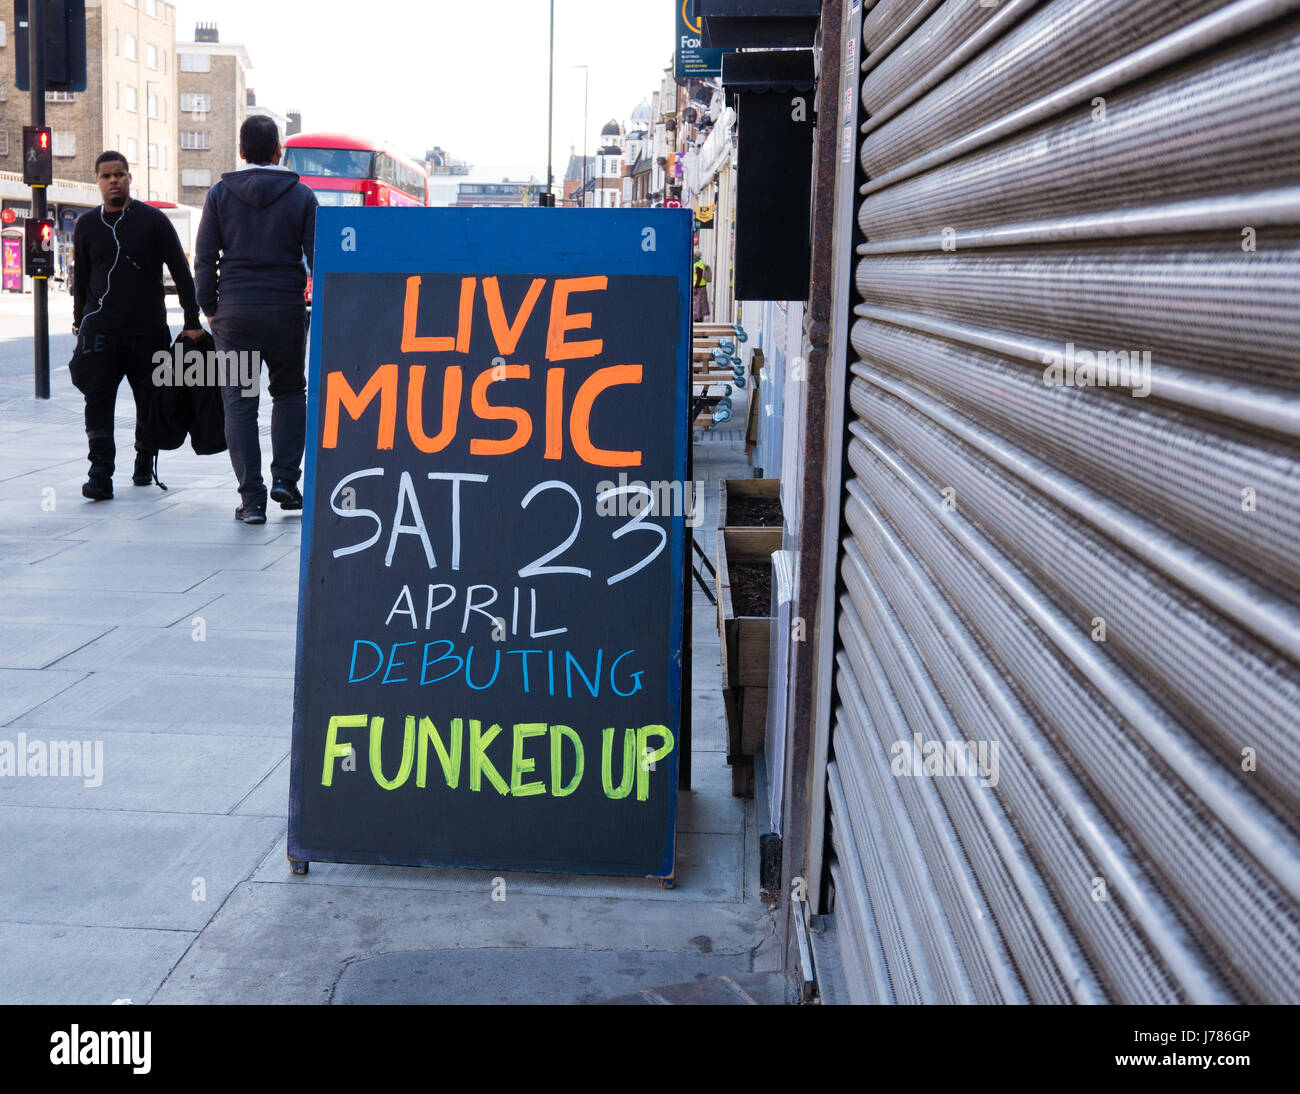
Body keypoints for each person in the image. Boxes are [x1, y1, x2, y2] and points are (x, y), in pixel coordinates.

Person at [195, 115, 317, 525]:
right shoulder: (301, 196)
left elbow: (205, 257)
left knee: (240, 403)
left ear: (242, 151)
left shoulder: (219, 194)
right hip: (284, 310)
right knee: (289, 392)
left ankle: (252, 501)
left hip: (235, 313)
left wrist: (209, 307)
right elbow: (319, 260)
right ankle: (285, 480)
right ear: (279, 150)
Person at [70, 151, 204, 500]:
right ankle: (100, 473)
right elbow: (81, 279)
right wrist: (77, 323)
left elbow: (180, 271)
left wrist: (192, 320)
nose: (113, 181)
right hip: (101, 332)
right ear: (97, 181)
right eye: (106, 176)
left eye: (119, 174)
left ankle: (144, 460)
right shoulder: (86, 226)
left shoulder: (154, 221)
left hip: (148, 332)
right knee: (97, 401)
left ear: (130, 178)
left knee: (151, 402)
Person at [692, 251, 711, 323]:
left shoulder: (698, 264)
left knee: (698, 304)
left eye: (694, 255)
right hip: (700, 286)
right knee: (699, 304)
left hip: (699, 287)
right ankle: (698, 319)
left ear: (696, 256)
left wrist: (695, 287)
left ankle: (698, 320)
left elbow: (699, 277)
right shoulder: (698, 262)